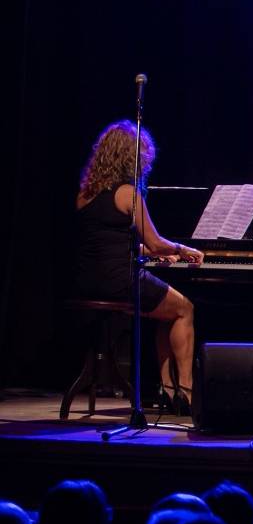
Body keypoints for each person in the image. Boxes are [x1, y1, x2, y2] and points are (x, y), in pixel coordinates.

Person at [74, 122, 203, 406]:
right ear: (130, 157)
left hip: (88, 280)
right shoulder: (129, 193)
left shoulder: (85, 195)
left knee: (165, 311)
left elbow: (108, 241)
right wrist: (183, 249)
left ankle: (167, 389)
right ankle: (187, 389)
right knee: (185, 309)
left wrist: (148, 251)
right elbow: (156, 242)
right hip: (120, 281)